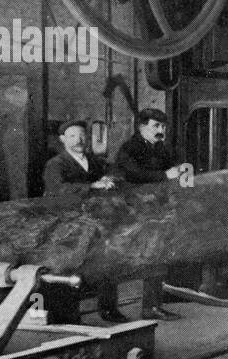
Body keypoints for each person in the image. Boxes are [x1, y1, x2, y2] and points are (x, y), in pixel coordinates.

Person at [42, 119, 123, 324]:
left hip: (95, 221)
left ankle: (109, 309)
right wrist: (93, 186)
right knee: (69, 268)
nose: (78, 140)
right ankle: (67, 318)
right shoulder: (56, 164)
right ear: (62, 139)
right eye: (72, 136)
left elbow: (116, 171)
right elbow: (58, 189)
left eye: (81, 136)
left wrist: (110, 179)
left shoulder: (95, 161)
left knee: (107, 261)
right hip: (67, 223)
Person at [114, 108, 189, 320]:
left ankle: (152, 306)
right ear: (142, 126)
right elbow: (132, 174)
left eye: (163, 126)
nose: (161, 130)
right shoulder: (129, 148)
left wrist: (179, 168)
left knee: (157, 256)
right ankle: (111, 308)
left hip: (153, 211)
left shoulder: (160, 148)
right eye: (156, 126)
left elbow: (171, 165)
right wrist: (165, 174)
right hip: (131, 212)